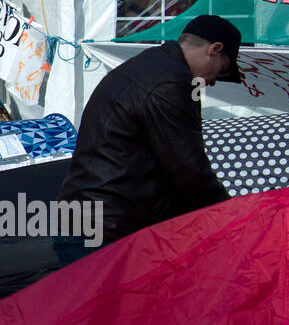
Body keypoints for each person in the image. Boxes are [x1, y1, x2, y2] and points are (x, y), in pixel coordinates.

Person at [56, 15, 246, 262]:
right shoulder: (173, 82)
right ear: (215, 49)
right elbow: (189, 171)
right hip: (107, 230)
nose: (211, 82)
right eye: (221, 71)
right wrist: (233, 217)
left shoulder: (149, 65)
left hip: (87, 222)